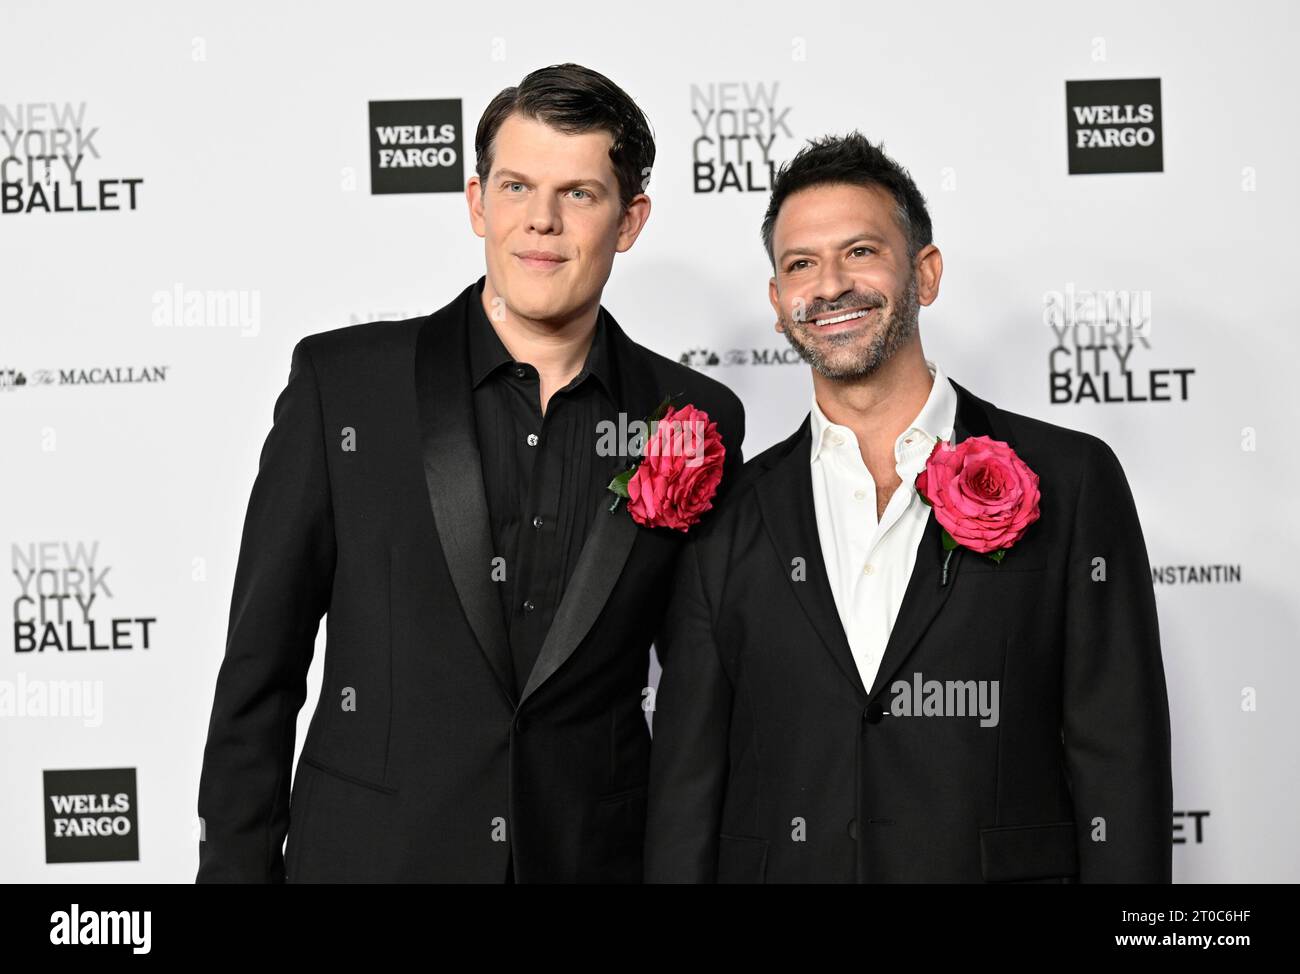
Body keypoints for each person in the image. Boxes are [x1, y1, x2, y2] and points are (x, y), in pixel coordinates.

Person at [196, 63, 744, 883]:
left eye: (580, 194)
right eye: (517, 186)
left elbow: (700, 703)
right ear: (477, 202)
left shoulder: (695, 417)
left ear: (630, 220)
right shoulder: (345, 386)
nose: (542, 222)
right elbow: (259, 670)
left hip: (592, 861)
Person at [644, 132, 1171, 883]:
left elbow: (1120, 760)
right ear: (777, 302)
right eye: (800, 264)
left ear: (925, 273)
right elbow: (687, 791)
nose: (829, 286)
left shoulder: (1072, 480)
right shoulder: (725, 513)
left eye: (860, 251)